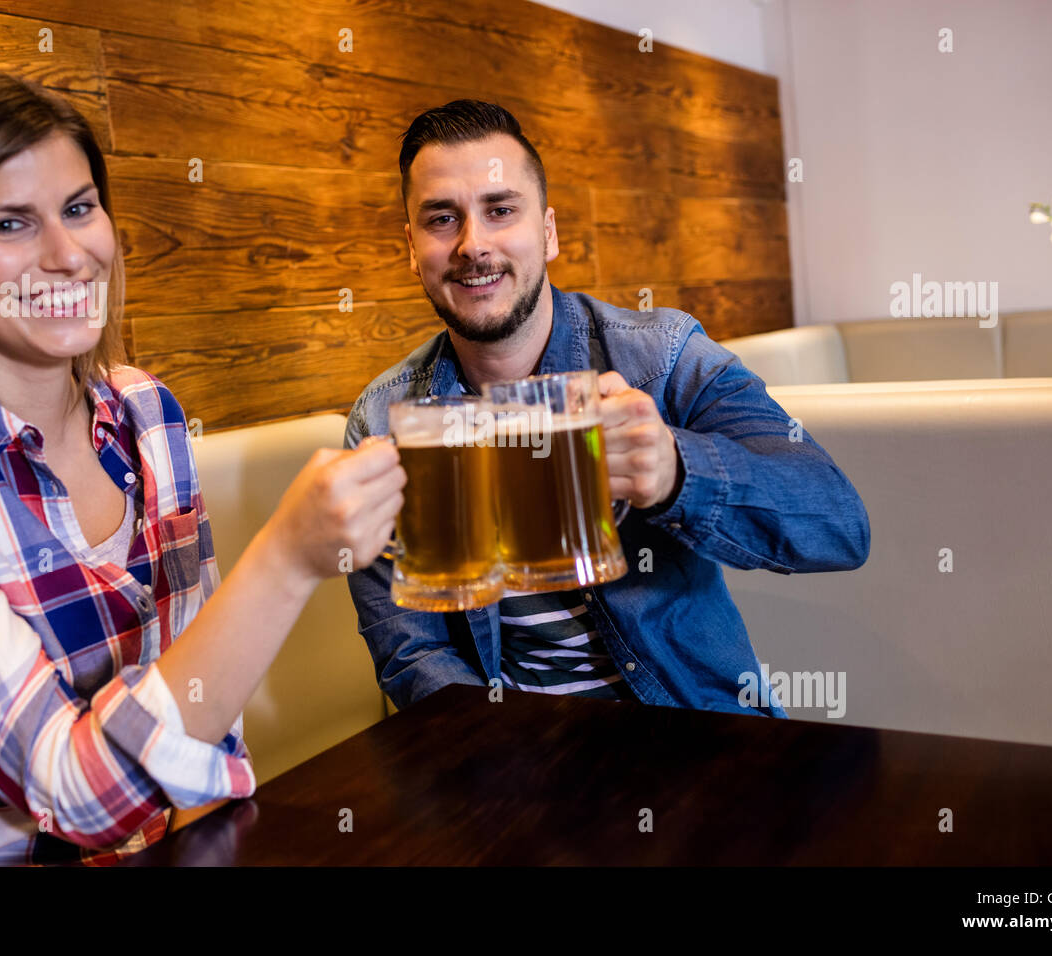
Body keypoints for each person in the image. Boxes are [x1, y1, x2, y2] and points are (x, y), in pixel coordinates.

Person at [0, 71, 404, 865]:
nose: (69, 255)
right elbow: (73, 796)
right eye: (10, 223)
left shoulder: (149, 412)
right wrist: (286, 558)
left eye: (79, 209)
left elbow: (198, 691)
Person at [345, 100, 870, 714]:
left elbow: (837, 523)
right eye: (442, 219)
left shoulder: (665, 356)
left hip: (693, 738)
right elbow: (413, 655)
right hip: (506, 757)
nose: (472, 244)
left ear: (547, 231)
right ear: (412, 247)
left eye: (500, 210)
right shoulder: (383, 423)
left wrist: (678, 472)